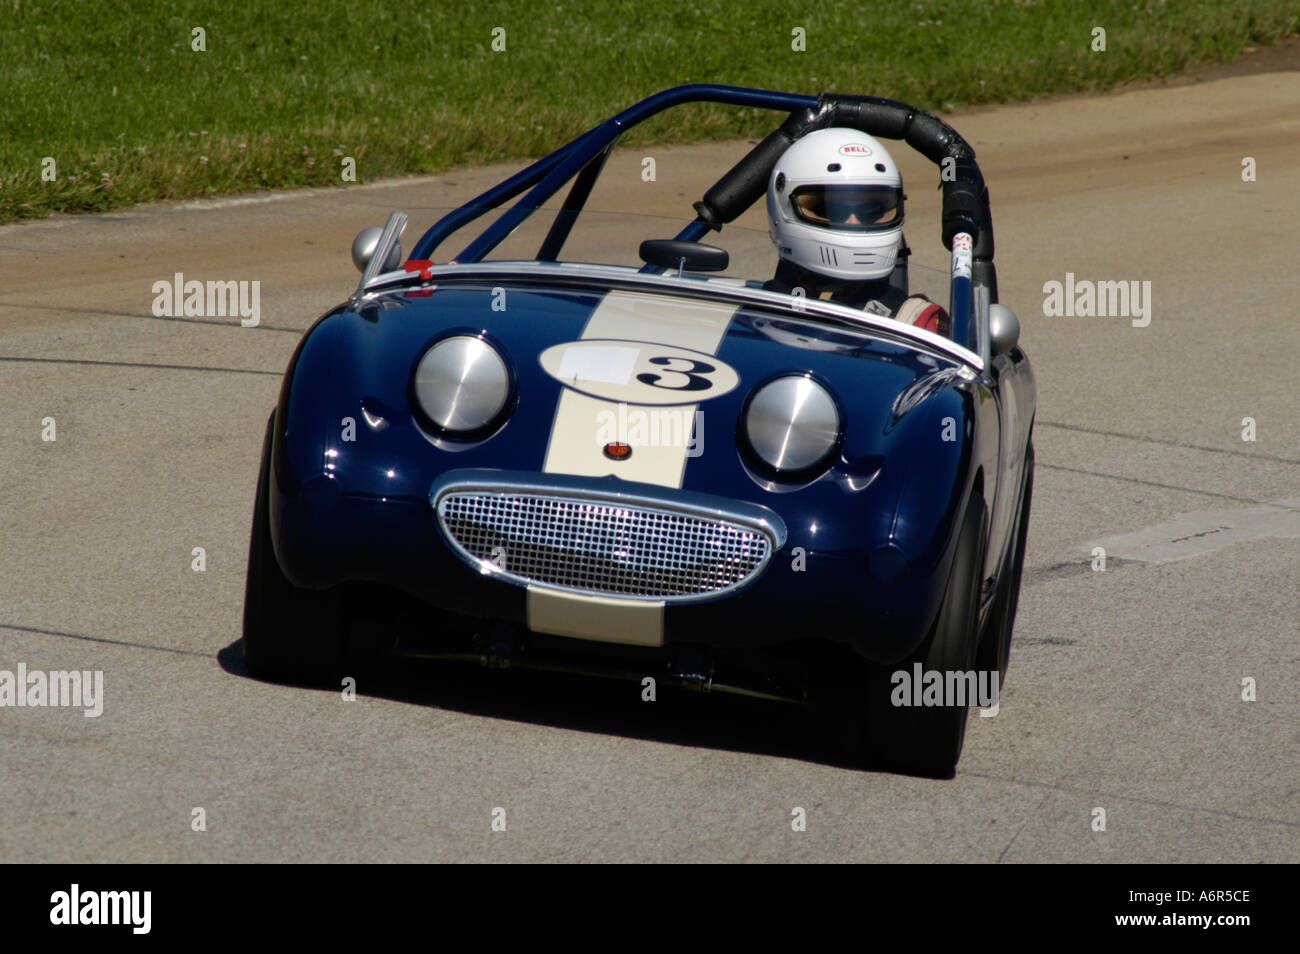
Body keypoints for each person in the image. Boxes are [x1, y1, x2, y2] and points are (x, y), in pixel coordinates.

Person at [763, 127, 949, 336]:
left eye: (871, 211)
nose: (853, 223)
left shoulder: (915, 323)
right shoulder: (748, 311)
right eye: (830, 210)